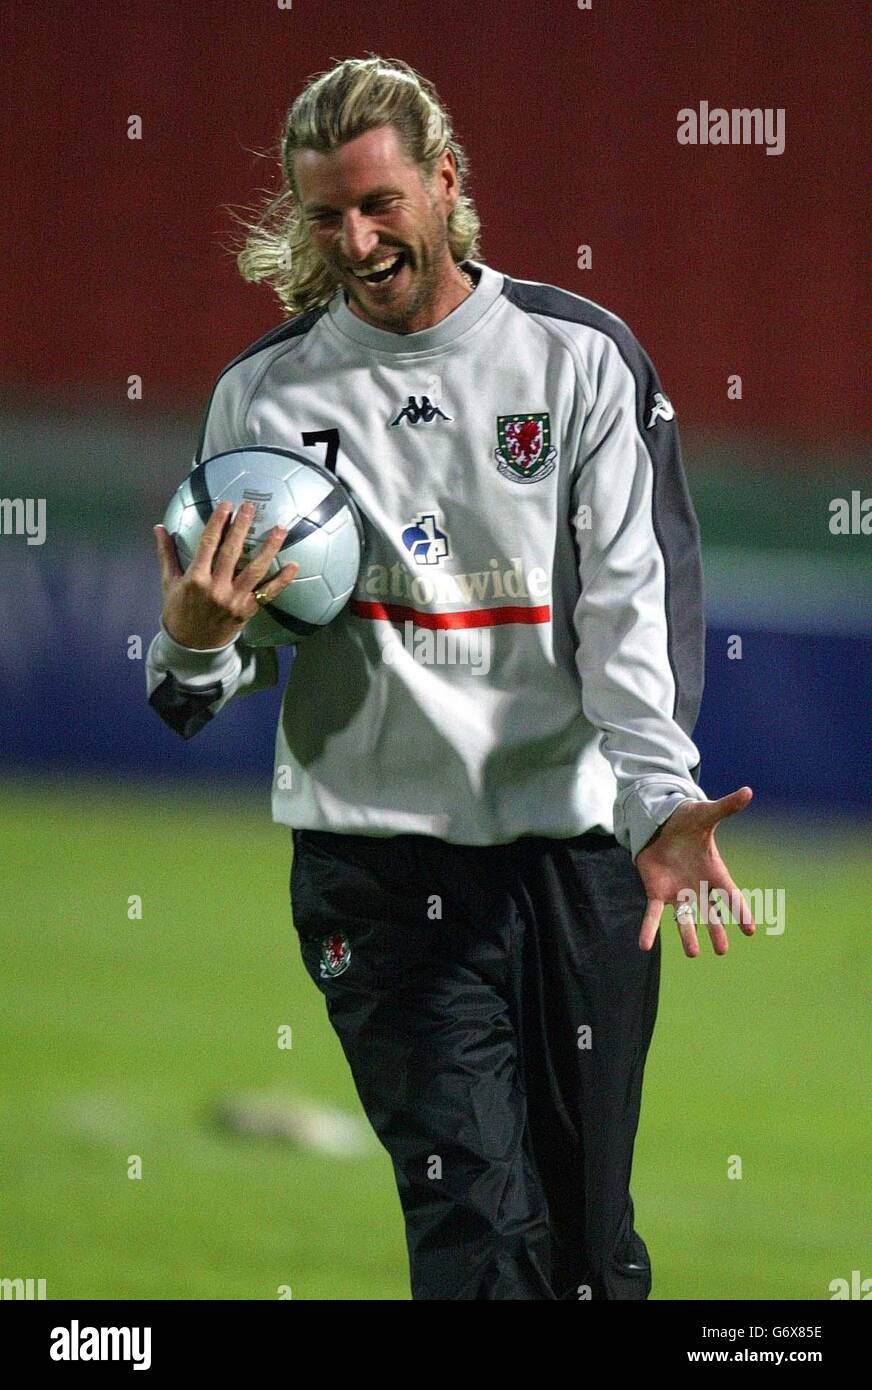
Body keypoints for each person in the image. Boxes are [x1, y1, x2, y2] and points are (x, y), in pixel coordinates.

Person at [146, 56, 755, 1301]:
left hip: (571, 860)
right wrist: (199, 635)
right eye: (325, 214)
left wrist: (655, 799)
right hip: (374, 872)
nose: (356, 240)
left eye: (378, 203)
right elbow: (189, 692)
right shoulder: (261, 399)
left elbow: (630, 604)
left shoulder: (577, 360)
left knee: (587, 1249)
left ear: (444, 181)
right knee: (475, 1228)